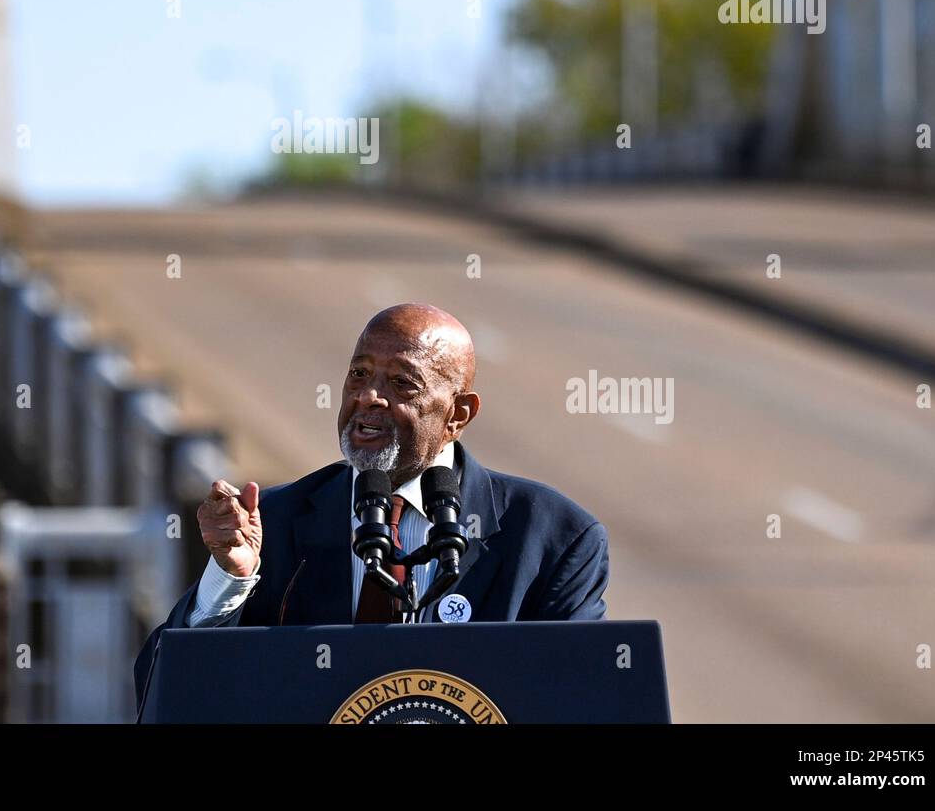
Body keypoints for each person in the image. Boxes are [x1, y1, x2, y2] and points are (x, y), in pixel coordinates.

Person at [134, 303, 609, 710]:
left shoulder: (554, 538)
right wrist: (230, 580)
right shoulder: (273, 523)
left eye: (402, 383)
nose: (367, 397)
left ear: (458, 414)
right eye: (359, 374)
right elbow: (162, 692)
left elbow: (583, 701)